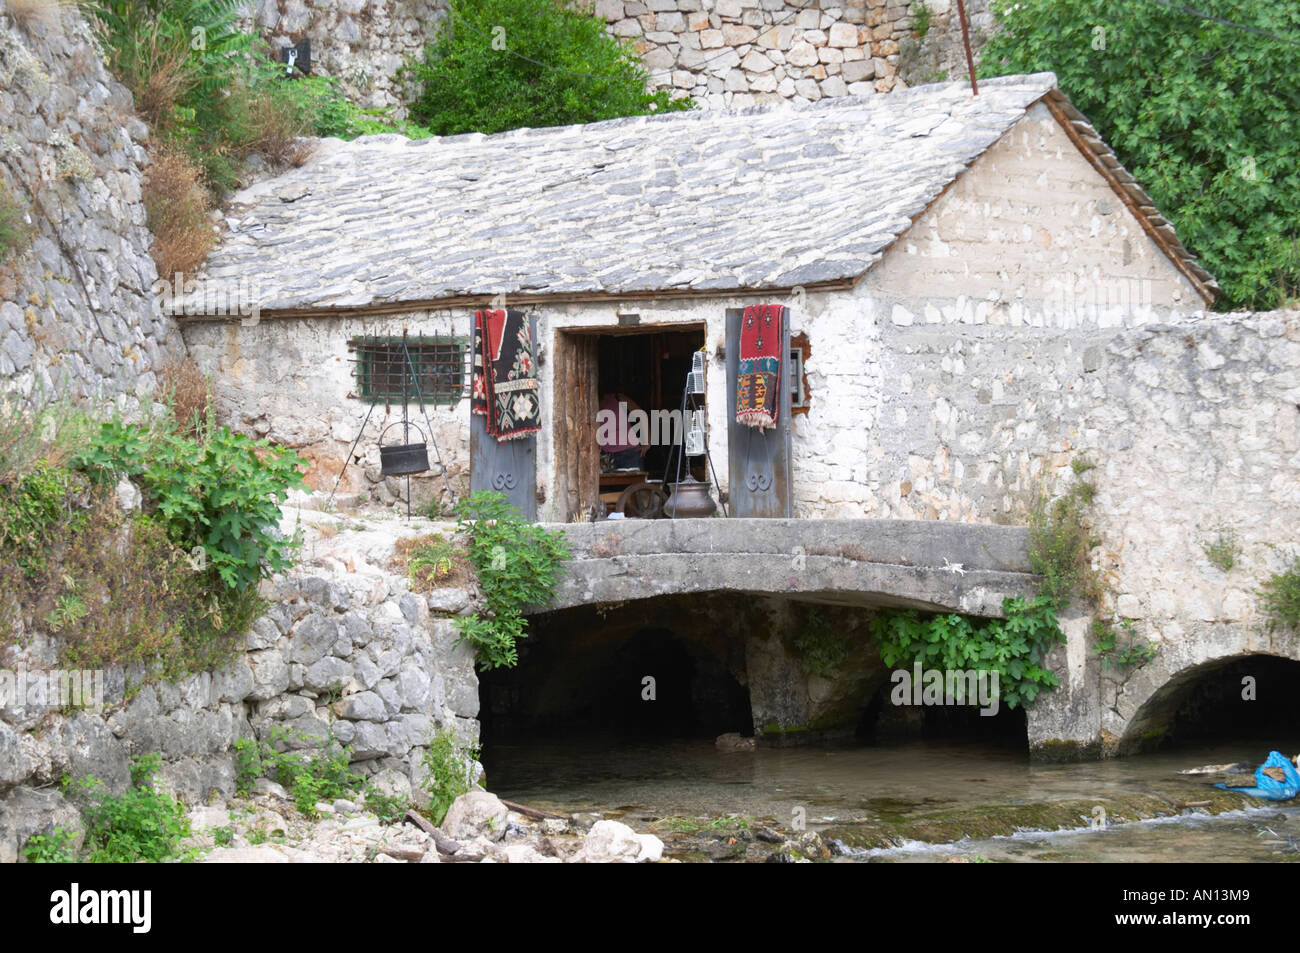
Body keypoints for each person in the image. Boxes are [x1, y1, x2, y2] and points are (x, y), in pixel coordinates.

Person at [598, 391, 648, 471]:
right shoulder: (589, 403)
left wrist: (647, 441)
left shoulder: (618, 398)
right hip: (605, 457)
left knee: (634, 483)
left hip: (629, 453)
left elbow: (641, 415)